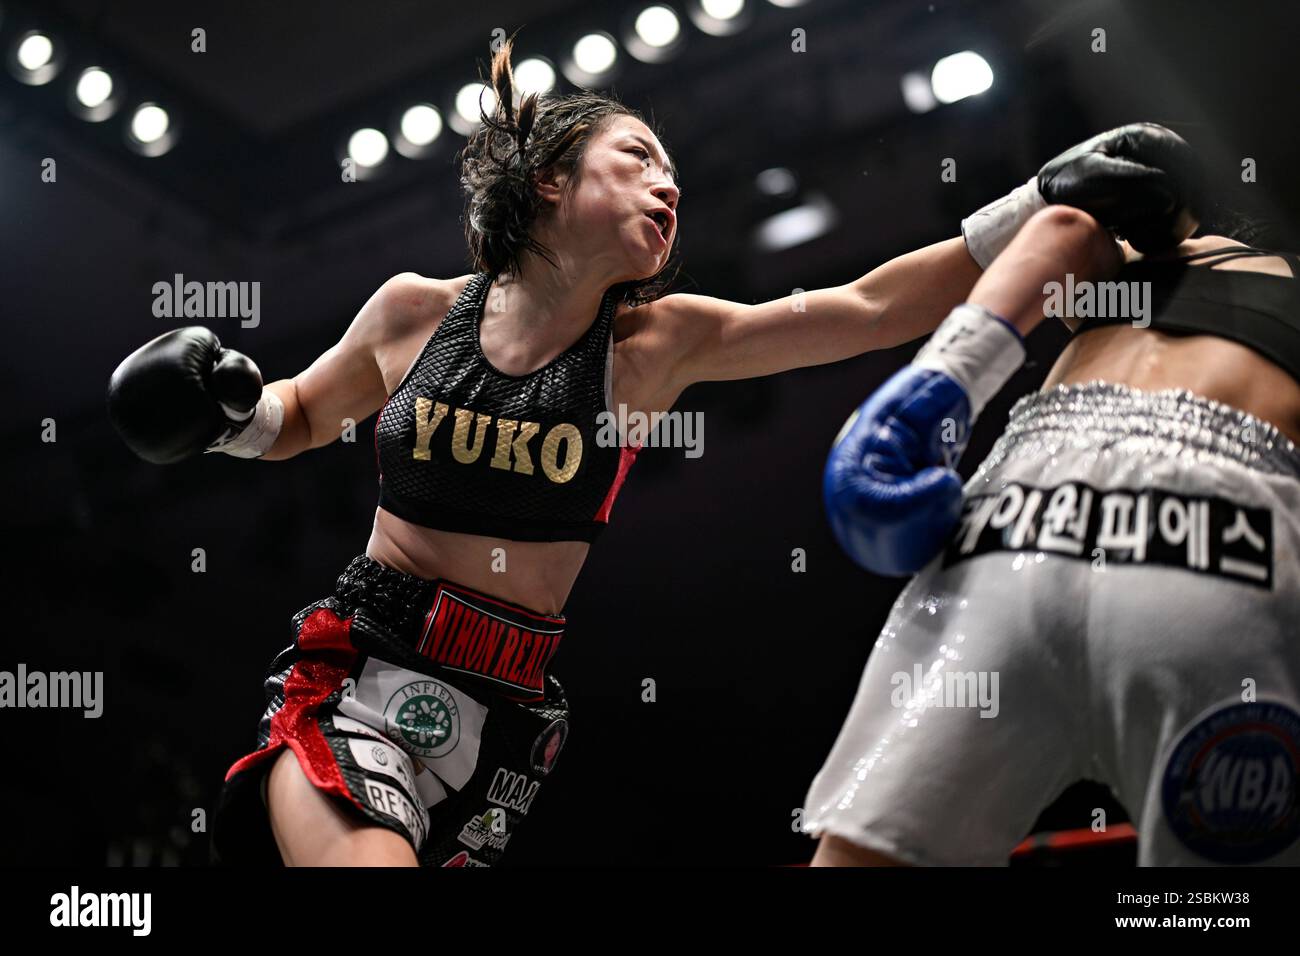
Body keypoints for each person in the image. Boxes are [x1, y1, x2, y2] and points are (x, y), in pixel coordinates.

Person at [106, 31, 1198, 866]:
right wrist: (229, 411)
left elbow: (863, 305)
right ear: (550, 181)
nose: (669, 186)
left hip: (502, 714)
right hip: (362, 673)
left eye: (674, 174)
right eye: (639, 160)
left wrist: (1033, 205)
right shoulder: (410, 313)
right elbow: (298, 414)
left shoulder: (653, 349)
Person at [805, 185, 1300, 865]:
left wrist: (939, 385)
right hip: (1220, 541)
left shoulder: (1174, 254)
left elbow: (1062, 227)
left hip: (1017, 526)